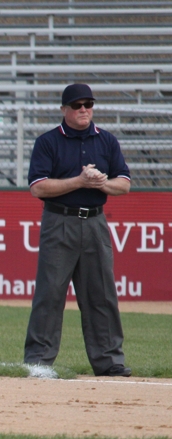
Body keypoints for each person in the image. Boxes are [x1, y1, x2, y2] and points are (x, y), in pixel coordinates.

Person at [24, 83, 132, 376]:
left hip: (96, 221)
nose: (83, 109)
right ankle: (39, 361)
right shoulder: (48, 142)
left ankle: (109, 360)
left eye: (88, 104)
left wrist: (100, 184)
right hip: (59, 221)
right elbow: (38, 187)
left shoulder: (106, 141)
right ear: (64, 110)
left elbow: (123, 184)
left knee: (102, 293)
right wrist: (79, 181)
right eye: (77, 105)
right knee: (50, 293)